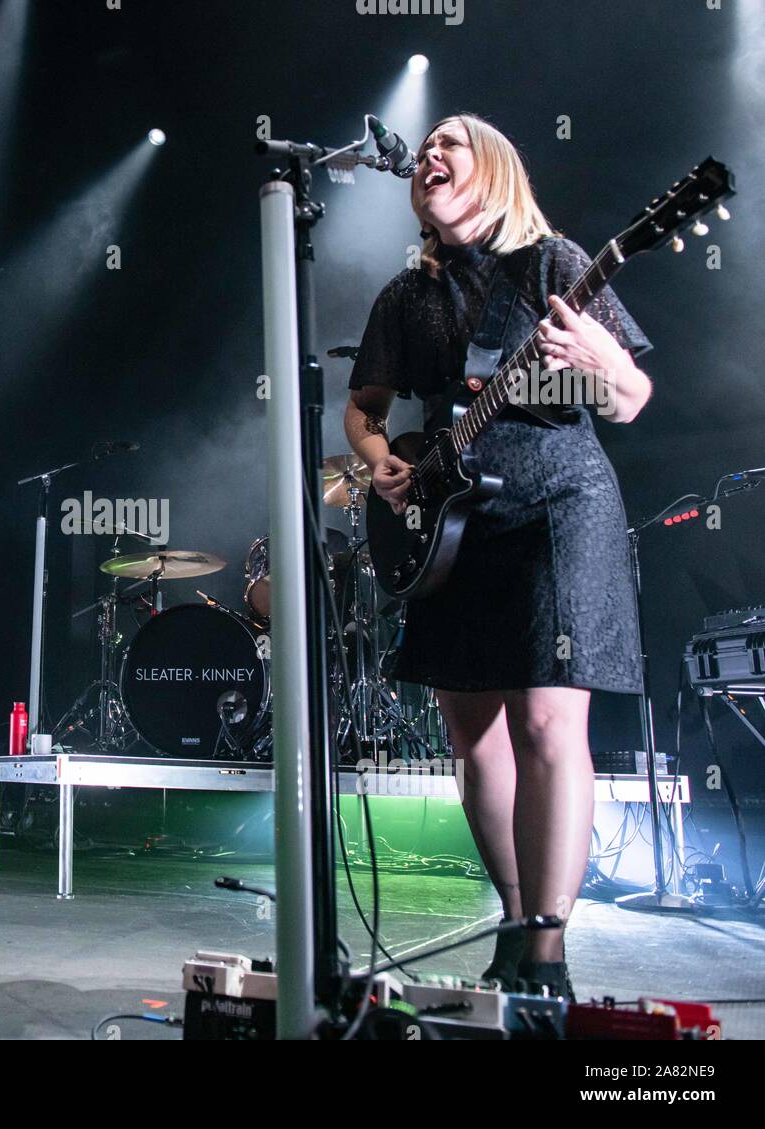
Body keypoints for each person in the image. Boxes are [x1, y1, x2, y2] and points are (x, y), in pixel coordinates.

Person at [343, 114, 653, 998]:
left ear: (497, 168)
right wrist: (383, 466)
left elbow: (631, 396)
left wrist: (599, 358)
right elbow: (361, 411)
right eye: (424, 149)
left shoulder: (556, 264)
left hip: (558, 500)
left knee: (549, 722)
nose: (429, 156)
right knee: (472, 736)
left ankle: (550, 953)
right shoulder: (407, 296)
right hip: (450, 520)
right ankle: (516, 924)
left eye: (450, 143)